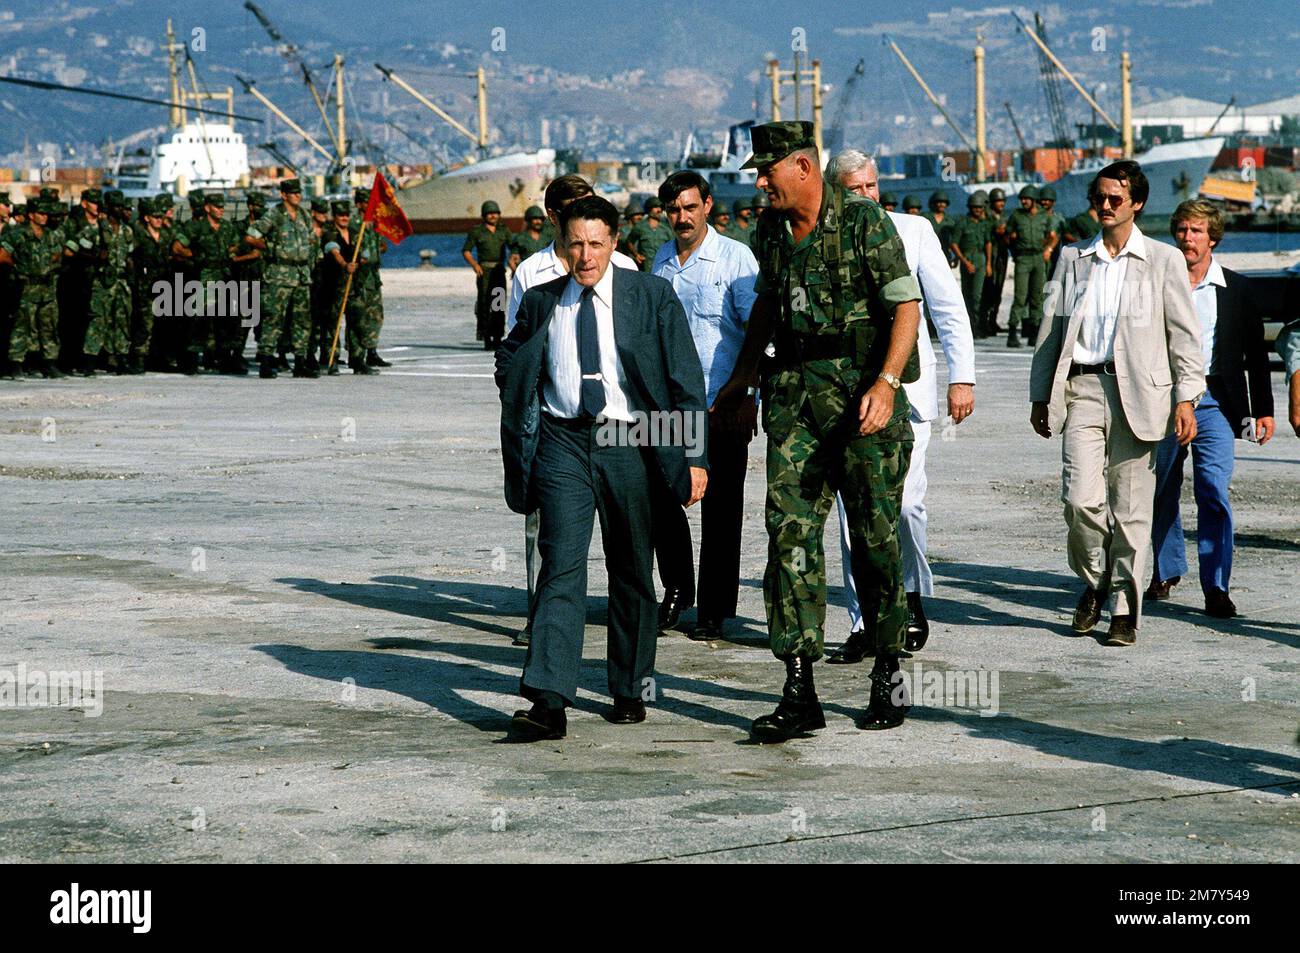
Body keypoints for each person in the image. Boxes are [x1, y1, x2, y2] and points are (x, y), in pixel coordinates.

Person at [714, 122, 923, 740]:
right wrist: (741, 381)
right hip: (795, 400)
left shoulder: (863, 222)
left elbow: (905, 306)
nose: (758, 182)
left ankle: (888, 671)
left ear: (803, 168)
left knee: (875, 536)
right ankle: (800, 688)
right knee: (790, 537)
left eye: (767, 170)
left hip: (863, 398)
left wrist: (886, 383)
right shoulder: (770, 233)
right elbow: (767, 307)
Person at [494, 194, 708, 741]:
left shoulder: (651, 296)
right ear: (561, 245)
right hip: (562, 441)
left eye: (595, 243)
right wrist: (518, 392)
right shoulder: (542, 300)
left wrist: (695, 457)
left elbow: (685, 381)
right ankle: (548, 700)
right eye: (575, 244)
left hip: (628, 438)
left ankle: (630, 685)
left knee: (631, 568)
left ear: (615, 243)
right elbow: (512, 356)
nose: (585, 256)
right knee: (560, 566)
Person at [1030, 160, 1204, 647]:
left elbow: (1184, 339)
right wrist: (1040, 395)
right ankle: (1094, 581)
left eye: (1115, 200)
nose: (1104, 207)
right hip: (1082, 389)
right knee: (1079, 500)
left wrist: (1186, 398)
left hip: (1142, 396)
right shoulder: (1073, 258)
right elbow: (1051, 332)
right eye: (1099, 199)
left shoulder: (1163, 261)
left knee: (1131, 511)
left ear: (1137, 204)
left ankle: (1125, 607)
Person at [823, 149, 975, 663]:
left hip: (908, 393)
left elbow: (948, 308)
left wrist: (963, 378)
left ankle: (910, 595)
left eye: (871, 186)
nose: (866, 196)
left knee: (905, 505)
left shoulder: (913, 231)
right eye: (854, 189)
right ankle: (864, 622)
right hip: (848, 396)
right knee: (853, 514)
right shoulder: (823, 237)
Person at [504, 175, 638, 646]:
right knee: (547, 532)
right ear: (553, 219)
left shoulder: (621, 266)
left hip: (619, 431)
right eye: (571, 209)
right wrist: (521, 404)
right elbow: (514, 350)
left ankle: (629, 656)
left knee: (628, 546)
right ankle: (540, 615)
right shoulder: (531, 274)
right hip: (553, 425)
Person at [1148, 200, 1274, 619]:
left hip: (1216, 402)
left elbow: (1256, 356)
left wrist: (1263, 410)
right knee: (1160, 488)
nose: (1188, 238)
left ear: (1213, 237)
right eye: (1182, 229)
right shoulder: (1156, 282)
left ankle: (1216, 586)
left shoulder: (1236, 289)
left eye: (1197, 231)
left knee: (1213, 491)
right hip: (1164, 401)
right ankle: (1166, 569)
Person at [649, 170, 759, 640]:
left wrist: (746, 394)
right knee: (658, 496)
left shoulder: (736, 258)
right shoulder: (660, 261)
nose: (682, 218)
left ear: (708, 206)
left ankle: (714, 610)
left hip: (722, 403)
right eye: (674, 210)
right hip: (671, 407)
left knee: (721, 508)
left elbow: (757, 334)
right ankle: (677, 588)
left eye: (690, 208)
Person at [244, 178, 319, 379]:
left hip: (301, 275)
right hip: (279, 276)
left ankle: (300, 361)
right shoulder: (274, 215)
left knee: (302, 320)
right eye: (293, 193)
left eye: (299, 192)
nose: (297, 196)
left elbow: (311, 239)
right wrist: (270, 248)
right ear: (283, 195)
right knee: (274, 319)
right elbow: (251, 236)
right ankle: (266, 360)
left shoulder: (303, 215)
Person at [171, 191, 238, 374]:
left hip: (223, 277)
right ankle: (191, 361)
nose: (221, 210)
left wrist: (229, 254)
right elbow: (177, 247)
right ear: (208, 208)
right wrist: (193, 256)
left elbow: (235, 245)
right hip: (203, 278)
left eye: (222, 207)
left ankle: (224, 359)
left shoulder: (226, 227)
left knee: (224, 322)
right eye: (217, 207)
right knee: (199, 321)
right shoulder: (196, 227)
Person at [0, 198, 66, 379]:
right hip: (26, 288)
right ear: (31, 215)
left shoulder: (51, 235)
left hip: (47, 287)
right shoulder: (17, 234)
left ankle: (49, 363)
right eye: (41, 213)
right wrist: (20, 268)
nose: (45, 217)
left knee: (49, 326)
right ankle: (16, 364)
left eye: (46, 214)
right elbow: (3, 255)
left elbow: (57, 254)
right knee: (22, 327)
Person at [77, 190, 135, 376]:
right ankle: (89, 361)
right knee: (98, 321)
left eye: (121, 206)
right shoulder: (96, 229)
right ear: (109, 208)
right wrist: (96, 258)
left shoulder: (127, 231)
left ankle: (121, 359)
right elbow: (77, 251)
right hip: (103, 282)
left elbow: (130, 253)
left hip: (121, 281)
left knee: (122, 321)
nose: (120, 210)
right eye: (116, 206)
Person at [1005, 185, 1055, 349]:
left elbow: (1052, 236)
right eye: (1022, 199)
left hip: (1039, 258)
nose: (1023, 201)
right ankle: (1012, 332)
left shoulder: (1044, 216)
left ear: (1034, 200)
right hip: (1023, 258)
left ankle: (1034, 333)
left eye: (1026, 199)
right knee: (1020, 296)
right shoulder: (1016, 216)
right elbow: (1007, 236)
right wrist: (1012, 243)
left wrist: (1048, 249)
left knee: (1038, 297)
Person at [463, 200, 512, 350]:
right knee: (485, 304)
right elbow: (466, 251)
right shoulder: (477, 232)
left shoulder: (504, 231)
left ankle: (498, 337)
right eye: (490, 213)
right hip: (484, 271)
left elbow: (514, 248)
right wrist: (475, 265)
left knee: (498, 303)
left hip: (499, 270)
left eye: (495, 213)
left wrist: (513, 262)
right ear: (484, 215)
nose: (493, 216)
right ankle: (486, 338)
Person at [948, 190, 993, 337]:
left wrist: (988, 264)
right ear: (970, 208)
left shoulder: (984, 223)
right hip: (967, 258)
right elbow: (954, 243)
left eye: (980, 208)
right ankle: (969, 327)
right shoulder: (962, 223)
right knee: (967, 295)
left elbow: (988, 243)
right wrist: (964, 262)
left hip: (980, 259)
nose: (978, 210)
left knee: (977, 295)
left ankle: (978, 326)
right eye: (975, 207)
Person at [979, 187, 1010, 336]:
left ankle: (993, 320)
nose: (1001, 204)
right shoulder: (987, 217)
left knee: (998, 290)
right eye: (998, 201)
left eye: (1003, 201)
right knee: (988, 290)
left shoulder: (1004, 217)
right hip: (991, 256)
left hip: (1002, 256)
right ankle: (983, 322)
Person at [626, 196, 673, 271]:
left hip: (662, 268)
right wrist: (636, 255)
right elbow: (629, 242)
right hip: (645, 268)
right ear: (649, 209)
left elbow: (673, 246)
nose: (659, 210)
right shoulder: (640, 227)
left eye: (660, 207)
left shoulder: (666, 229)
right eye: (656, 207)